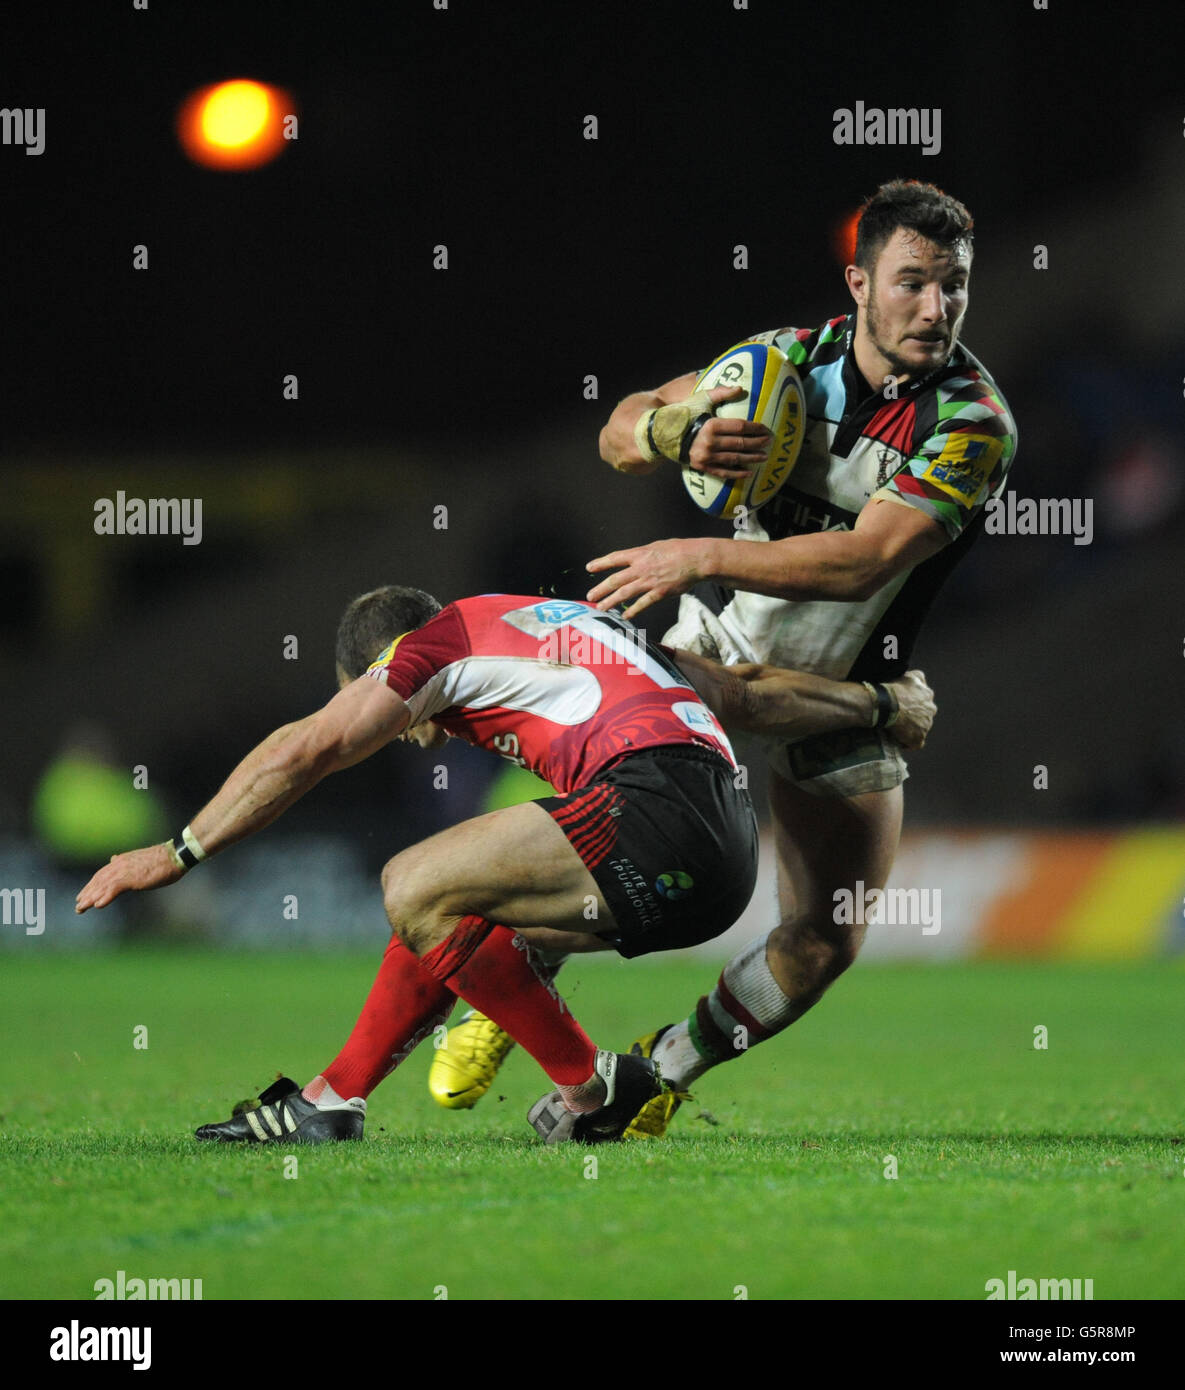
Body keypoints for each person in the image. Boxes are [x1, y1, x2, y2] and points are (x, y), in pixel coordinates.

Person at [438, 178, 1016, 1136]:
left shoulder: (972, 421)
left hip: (838, 687)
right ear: (859, 285)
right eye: (911, 281)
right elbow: (619, 427)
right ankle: (516, 971)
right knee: (652, 874)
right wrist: (680, 431)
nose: (935, 306)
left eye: (953, 285)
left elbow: (864, 559)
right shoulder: (784, 361)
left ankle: (658, 1073)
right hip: (710, 652)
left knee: (824, 940)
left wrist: (698, 550)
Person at [74, 586, 935, 1145]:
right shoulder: (576, 626)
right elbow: (745, 694)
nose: (408, 732)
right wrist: (880, 701)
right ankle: (333, 1101)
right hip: (721, 851)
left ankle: (595, 1087)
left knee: (407, 884)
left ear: (375, 665)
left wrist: (179, 849)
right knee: (451, 911)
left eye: (368, 693)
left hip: (653, 802)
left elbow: (309, 747)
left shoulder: (434, 645)